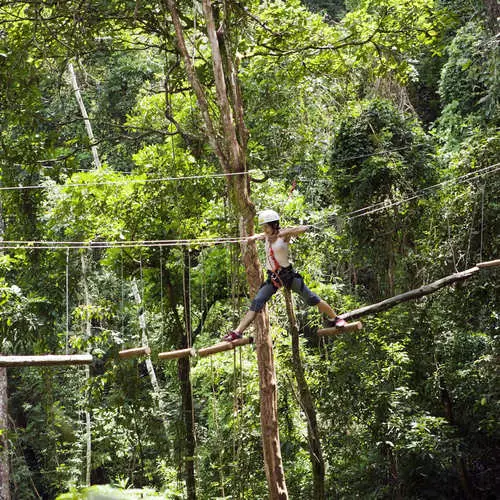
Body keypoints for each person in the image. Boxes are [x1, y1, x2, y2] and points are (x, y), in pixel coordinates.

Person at [222, 209, 346, 341]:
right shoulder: (266, 237)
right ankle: (238, 332)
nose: (264, 230)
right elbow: (260, 236)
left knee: (311, 298)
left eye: (266, 227)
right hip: (273, 278)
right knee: (257, 302)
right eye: (263, 227)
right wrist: (253, 238)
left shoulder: (284, 236)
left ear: (274, 225)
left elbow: (302, 229)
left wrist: (286, 232)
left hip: (288, 276)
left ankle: (335, 317)